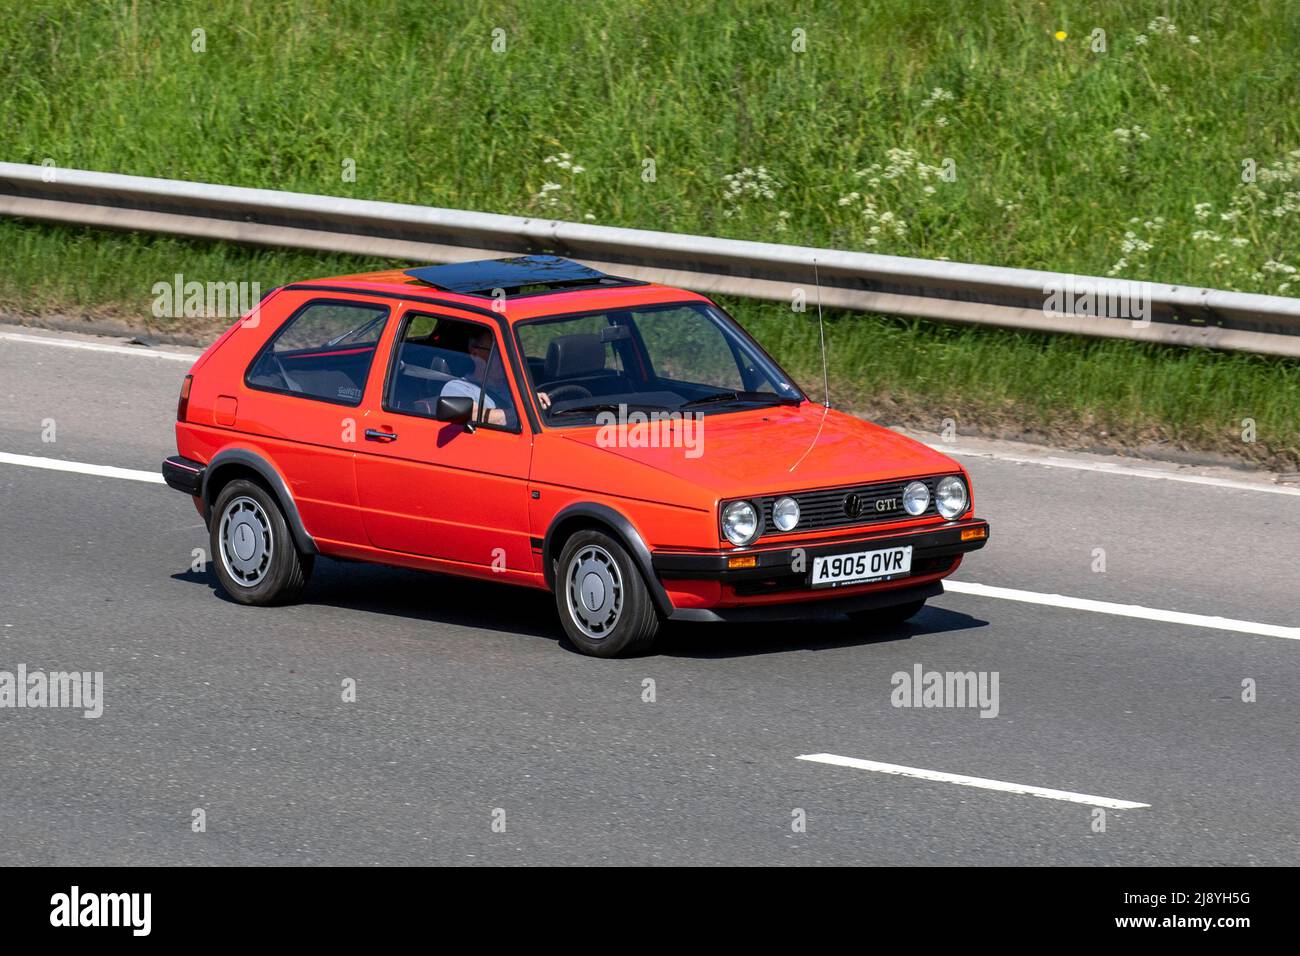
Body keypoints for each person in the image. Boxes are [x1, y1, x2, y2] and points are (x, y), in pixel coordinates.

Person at [441, 328, 550, 426]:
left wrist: (536, 402)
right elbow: (474, 417)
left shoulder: (516, 385)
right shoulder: (456, 388)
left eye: (509, 351)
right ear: (475, 353)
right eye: (497, 350)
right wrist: (526, 410)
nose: (505, 357)